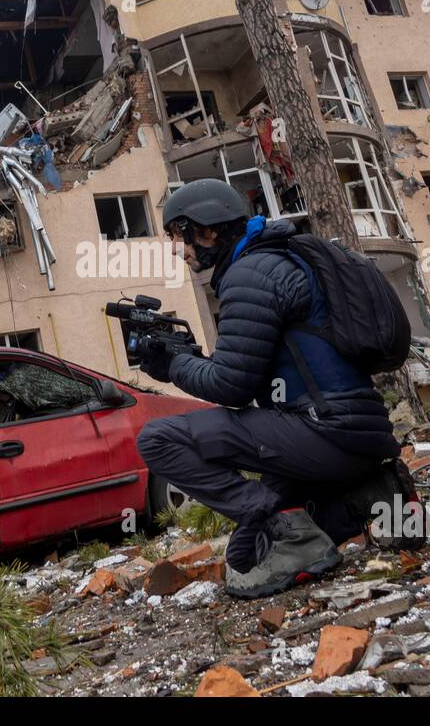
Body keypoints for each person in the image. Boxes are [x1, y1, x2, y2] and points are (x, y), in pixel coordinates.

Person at [135, 179, 402, 598]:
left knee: (158, 439)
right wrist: (189, 359)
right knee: (246, 555)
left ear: (207, 229)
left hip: (326, 433)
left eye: (177, 235)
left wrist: (172, 366)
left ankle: (293, 528)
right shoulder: (274, 261)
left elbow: (231, 386)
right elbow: (256, 375)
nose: (175, 248)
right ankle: (375, 495)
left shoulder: (250, 274)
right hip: (352, 434)